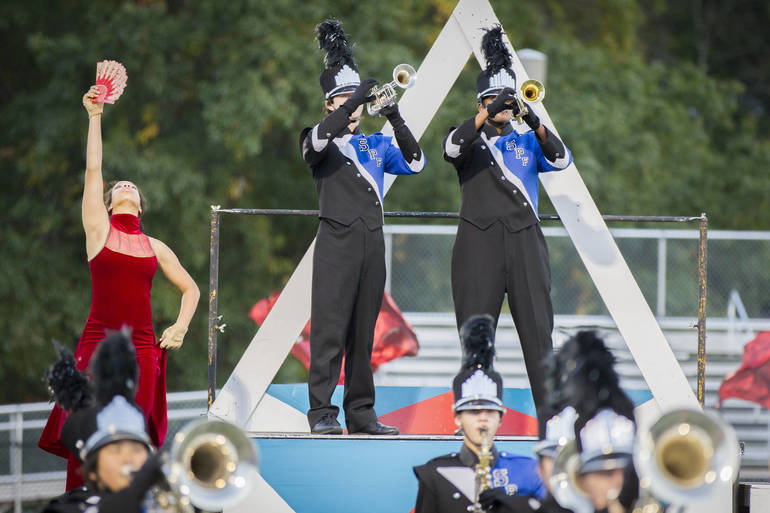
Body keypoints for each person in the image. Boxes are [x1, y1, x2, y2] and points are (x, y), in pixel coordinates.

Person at [39, 85, 200, 489]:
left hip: (142, 349)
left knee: (133, 430)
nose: (125, 184)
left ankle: (129, 500)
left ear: (140, 205)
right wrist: (95, 117)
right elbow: (94, 170)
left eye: (132, 186)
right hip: (97, 341)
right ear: (110, 203)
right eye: (119, 185)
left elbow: (192, 290)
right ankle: (85, 500)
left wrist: (180, 326)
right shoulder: (98, 231)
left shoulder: (155, 246)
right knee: (88, 424)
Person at [299, 19, 424, 435]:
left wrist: (394, 113)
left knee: (363, 334)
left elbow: (417, 162)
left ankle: (361, 412)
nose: (352, 110)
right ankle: (321, 413)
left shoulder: (377, 144)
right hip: (336, 243)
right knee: (329, 332)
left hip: (372, 244)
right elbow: (314, 145)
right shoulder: (319, 140)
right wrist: (355, 98)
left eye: (354, 103)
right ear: (330, 106)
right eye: (342, 103)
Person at [443, 25, 572, 419]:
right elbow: (451, 149)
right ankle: (472, 417)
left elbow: (562, 159)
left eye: (506, 100)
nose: (502, 106)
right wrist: (484, 113)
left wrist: (531, 117)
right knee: (476, 336)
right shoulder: (468, 138)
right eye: (494, 100)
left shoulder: (528, 139)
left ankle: (552, 421)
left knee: (538, 335)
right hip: (477, 244)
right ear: (481, 101)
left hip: (524, 242)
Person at [413, 315, 545, 513]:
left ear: (501, 418)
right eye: (474, 412)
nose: (483, 417)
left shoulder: (529, 471)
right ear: (458, 417)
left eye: (491, 412)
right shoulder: (436, 474)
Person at [41, 331, 165, 513]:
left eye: (137, 449)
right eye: (115, 450)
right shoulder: (68, 508)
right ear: (92, 472)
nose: (128, 458)